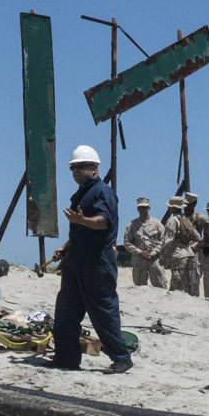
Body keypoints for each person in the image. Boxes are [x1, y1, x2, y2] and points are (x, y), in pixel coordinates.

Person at [47, 145, 134, 373]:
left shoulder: (102, 192)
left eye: (81, 167)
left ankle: (122, 358)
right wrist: (66, 247)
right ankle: (66, 358)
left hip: (97, 262)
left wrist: (82, 221)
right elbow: (81, 230)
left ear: (94, 169)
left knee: (103, 312)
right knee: (66, 311)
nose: (76, 171)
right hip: (77, 261)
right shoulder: (82, 193)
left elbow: (103, 222)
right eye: (73, 168)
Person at [161, 196, 202, 295]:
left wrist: (162, 255)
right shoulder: (186, 219)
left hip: (177, 254)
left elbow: (168, 240)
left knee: (177, 284)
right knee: (187, 283)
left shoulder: (172, 221)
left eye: (170, 206)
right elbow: (198, 237)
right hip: (189, 253)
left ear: (174, 208)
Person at [123, 197, 166, 287]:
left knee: (160, 286)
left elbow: (163, 239)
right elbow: (127, 243)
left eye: (145, 207)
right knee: (139, 287)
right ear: (137, 209)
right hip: (139, 260)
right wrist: (140, 252)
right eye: (140, 208)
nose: (143, 210)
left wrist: (154, 252)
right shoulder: (131, 225)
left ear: (149, 208)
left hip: (154, 259)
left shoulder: (157, 223)